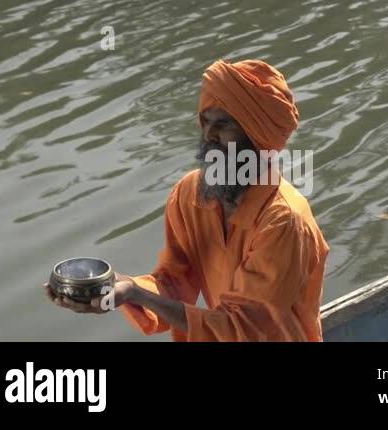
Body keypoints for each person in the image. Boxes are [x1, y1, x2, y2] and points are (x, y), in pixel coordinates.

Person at [44, 59, 330, 341]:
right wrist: (118, 286)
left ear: (257, 136)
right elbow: (174, 282)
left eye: (223, 124)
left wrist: (135, 293)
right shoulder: (191, 194)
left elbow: (243, 329)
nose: (209, 135)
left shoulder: (284, 221)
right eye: (206, 121)